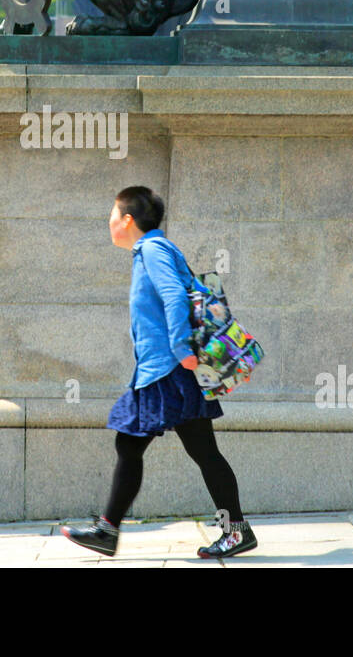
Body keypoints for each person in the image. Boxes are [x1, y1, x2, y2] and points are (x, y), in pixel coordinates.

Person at [61, 186, 256, 559]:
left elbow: (173, 295)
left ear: (128, 220)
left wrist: (182, 348)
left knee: (136, 444)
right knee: (196, 450)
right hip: (165, 371)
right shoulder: (150, 250)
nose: (110, 223)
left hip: (167, 371)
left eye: (112, 216)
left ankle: (108, 531)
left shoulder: (152, 249)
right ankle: (235, 530)